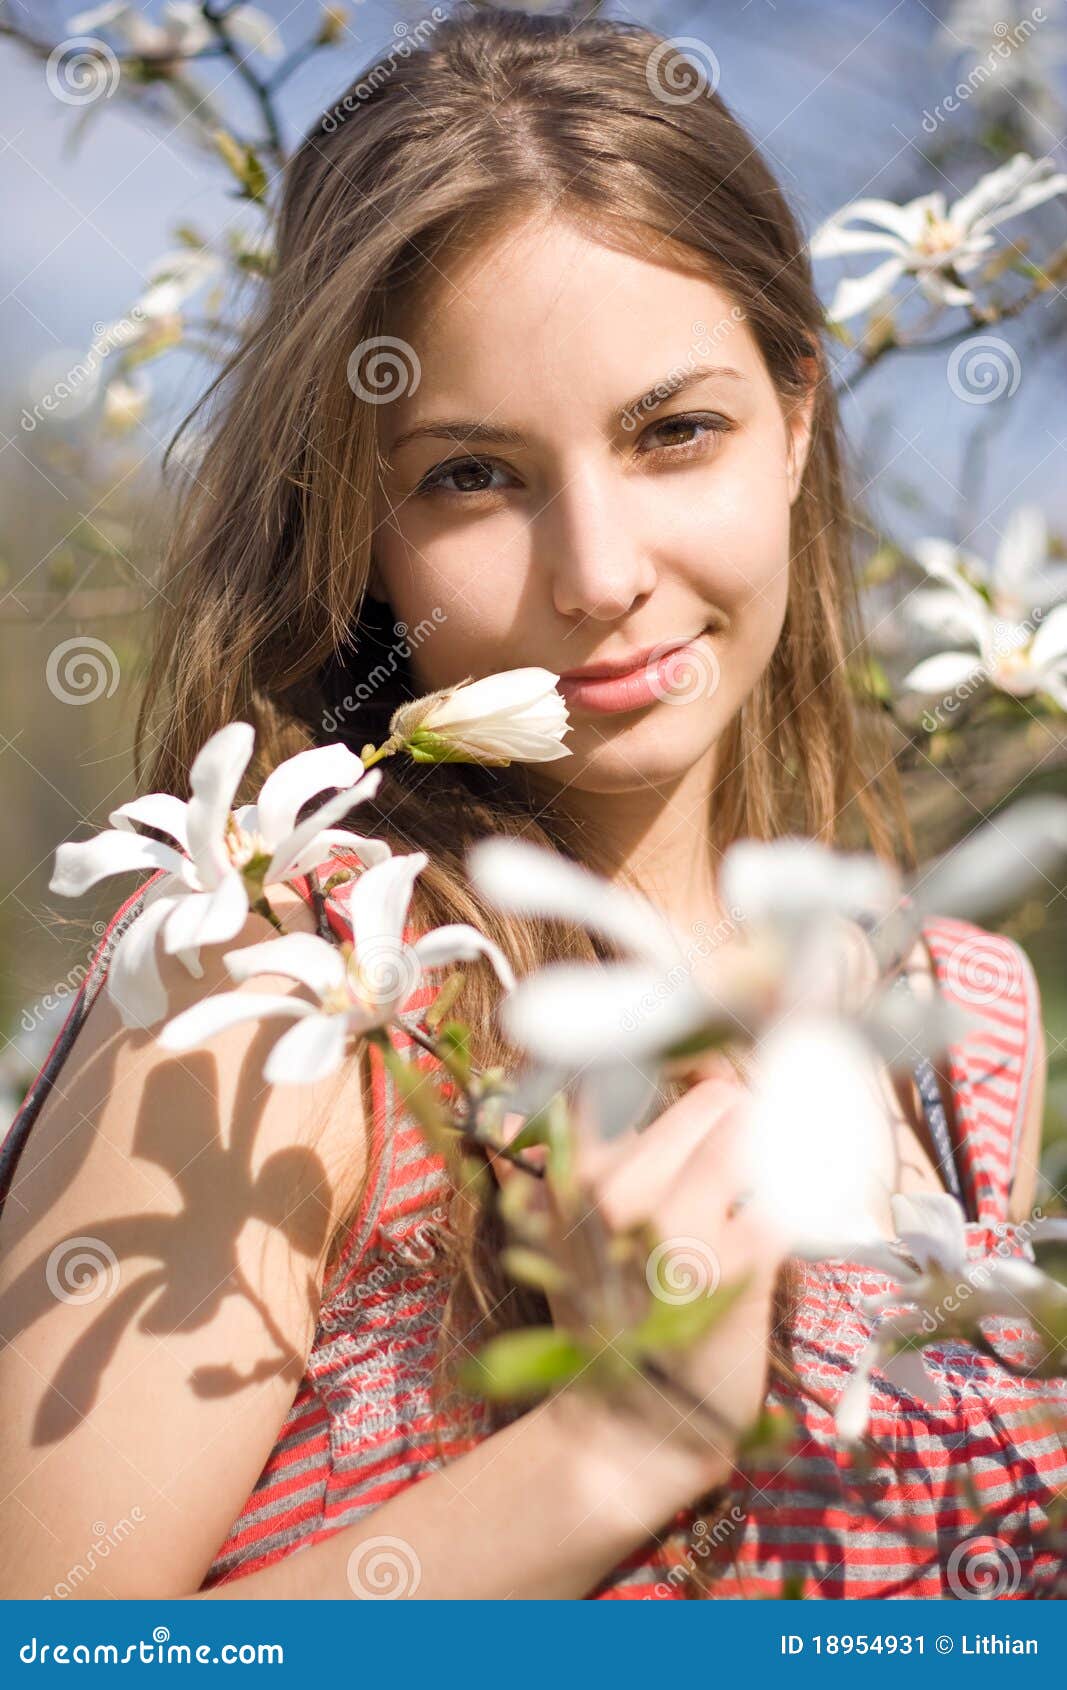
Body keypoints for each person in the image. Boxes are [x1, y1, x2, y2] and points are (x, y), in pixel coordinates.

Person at [0, 8, 1061, 1601]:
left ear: (795, 417)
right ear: (355, 524)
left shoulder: (960, 1026)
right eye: (470, 476)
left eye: (673, 432)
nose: (600, 576)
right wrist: (611, 1447)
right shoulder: (281, 989)